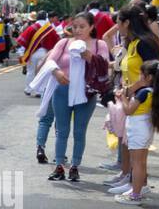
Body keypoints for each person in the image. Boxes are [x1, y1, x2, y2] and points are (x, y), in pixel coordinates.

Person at [39, 12, 109, 182]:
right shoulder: (63, 42)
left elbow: (104, 65)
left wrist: (89, 56)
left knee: (79, 131)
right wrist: (56, 72)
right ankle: (59, 166)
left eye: (82, 26)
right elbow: (50, 60)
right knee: (61, 130)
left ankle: (75, 166)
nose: (77, 30)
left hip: (86, 93)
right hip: (62, 89)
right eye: (74, 26)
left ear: (91, 27)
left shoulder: (99, 44)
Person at [107, 3, 159, 193]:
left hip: (142, 102)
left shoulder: (144, 43)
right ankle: (132, 180)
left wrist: (134, 88)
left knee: (137, 149)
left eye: (118, 22)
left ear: (127, 23)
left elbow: (156, 72)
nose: (116, 27)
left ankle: (137, 188)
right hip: (131, 98)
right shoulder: (132, 43)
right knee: (129, 143)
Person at [114, 59, 159, 203]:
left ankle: (135, 195)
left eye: (141, 74)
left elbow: (128, 110)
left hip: (138, 129)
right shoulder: (156, 92)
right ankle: (138, 190)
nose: (139, 76)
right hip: (146, 129)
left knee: (137, 163)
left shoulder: (143, 93)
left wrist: (122, 97)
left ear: (149, 77)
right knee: (141, 162)